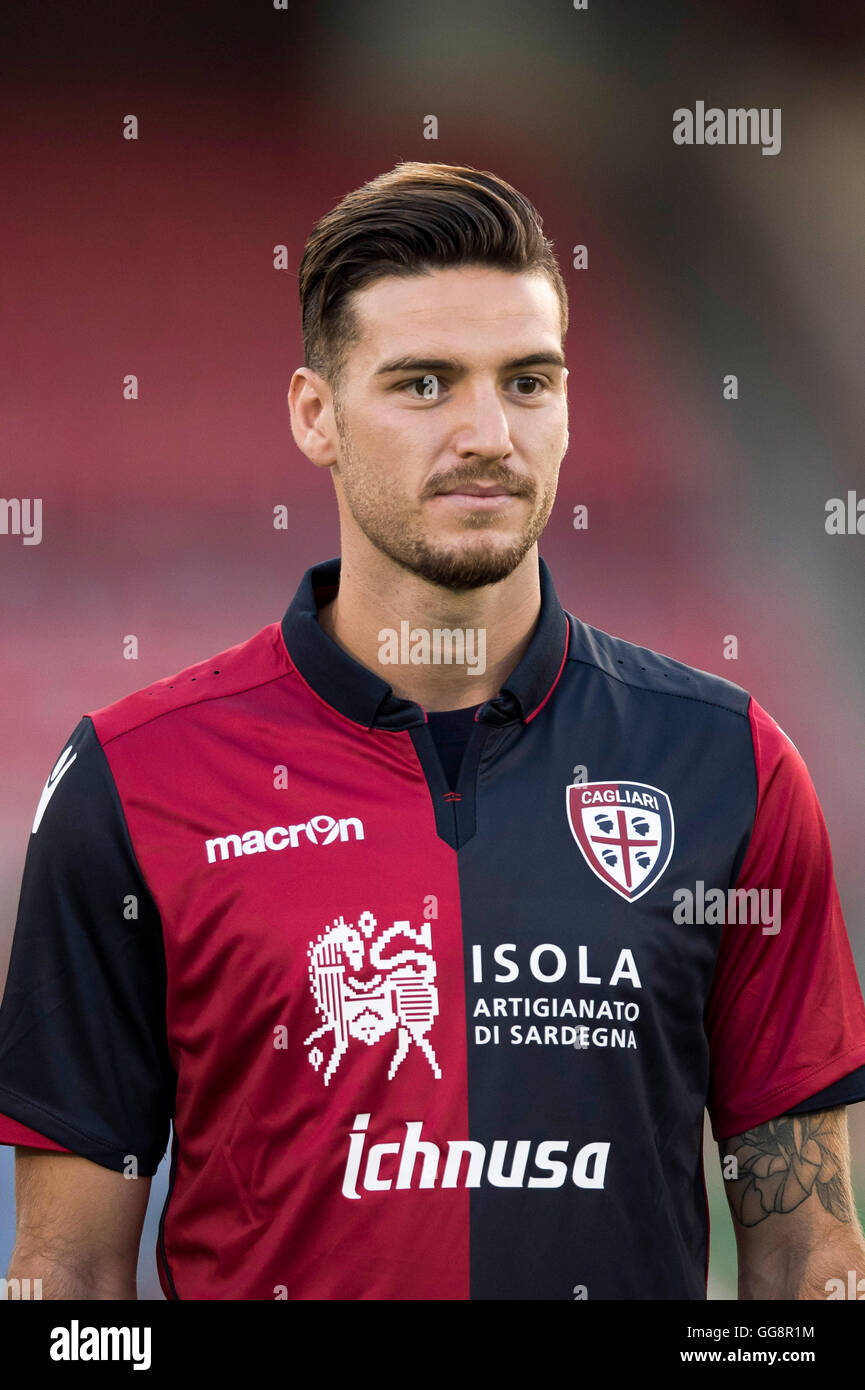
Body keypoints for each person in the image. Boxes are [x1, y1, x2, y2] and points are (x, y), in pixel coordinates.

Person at [2, 161, 864, 1300]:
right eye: (422, 383)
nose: (487, 432)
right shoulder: (132, 778)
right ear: (315, 414)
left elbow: (810, 1263)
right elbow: (65, 1281)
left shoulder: (730, 768)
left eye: (527, 380)